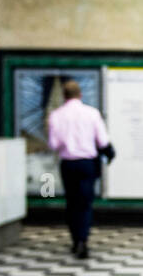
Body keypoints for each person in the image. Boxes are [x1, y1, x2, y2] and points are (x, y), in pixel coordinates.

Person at [47, 79, 114, 259]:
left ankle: (75, 239)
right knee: (85, 203)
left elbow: (53, 144)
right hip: (87, 164)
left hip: (68, 163)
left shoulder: (56, 115)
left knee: (72, 202)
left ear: (64, 96)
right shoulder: (92, 114)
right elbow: (103, 140)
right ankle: (83, 240)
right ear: (80, 95)